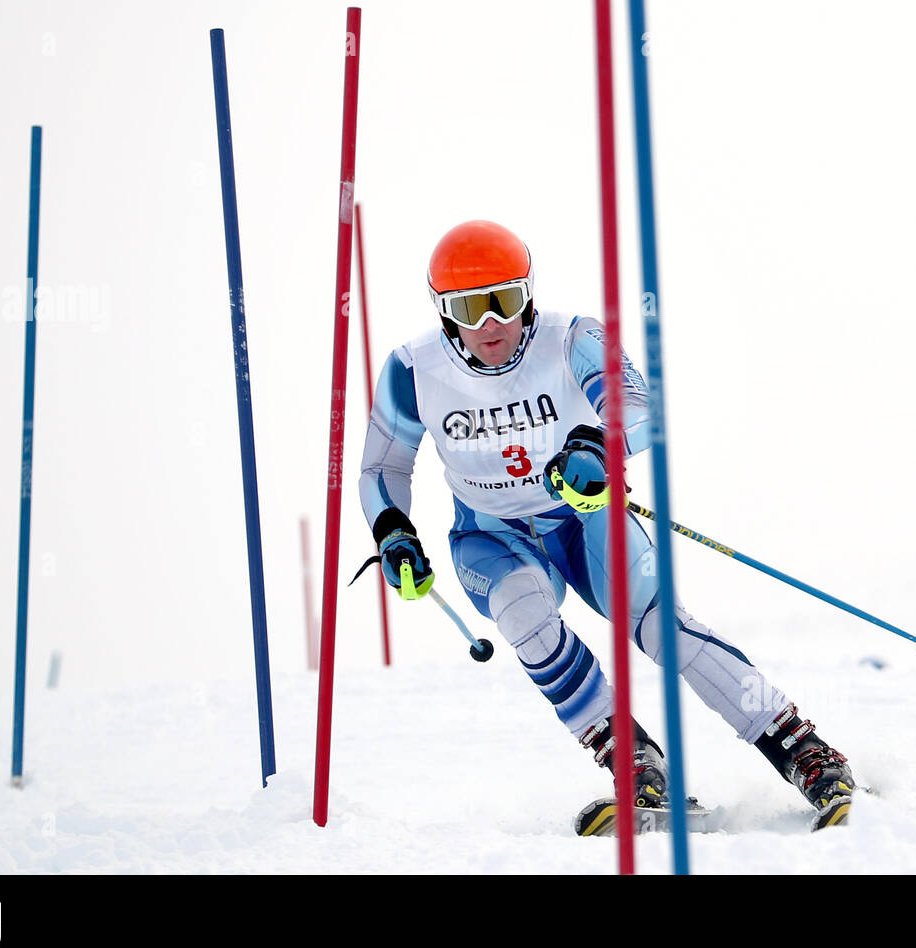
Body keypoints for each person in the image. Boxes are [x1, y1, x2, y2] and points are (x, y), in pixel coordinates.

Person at [358, 220, 855, 829]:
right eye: (469, 309)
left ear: (529, 295)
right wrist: (393, 531)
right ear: (443, 315)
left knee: (660, 628)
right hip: (492, 536)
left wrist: (594, 445)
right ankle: (634, 763)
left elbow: (637, 402)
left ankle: (802, 748)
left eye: (505, 302)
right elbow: (383, 465)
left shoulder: (571, 337)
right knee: (525, 617)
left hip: (584, 517)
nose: (491, 325)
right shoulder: (414, 371)